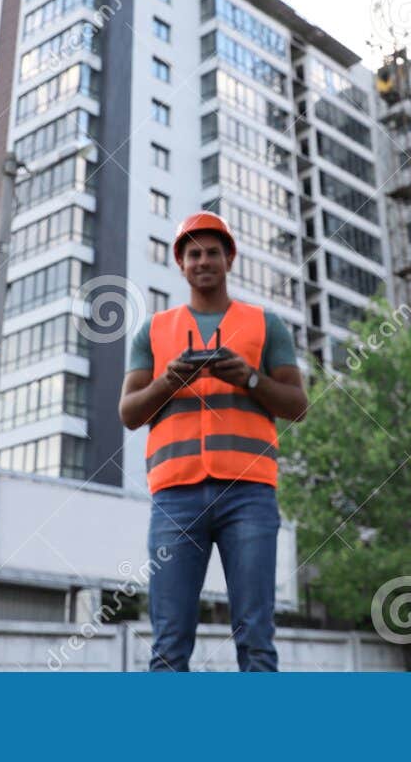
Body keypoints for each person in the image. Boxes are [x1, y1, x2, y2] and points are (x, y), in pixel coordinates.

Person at [119, 211, 308, 671]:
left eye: (212, 253)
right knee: (168, 644)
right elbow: (129, 413)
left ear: (229, 260)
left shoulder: (266, 325)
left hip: (249, 494)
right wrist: (167, 382)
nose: (203, 261)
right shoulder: (154, 330)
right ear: (180, 264)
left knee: (257, 640)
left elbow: (297, 404)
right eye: (194, 254)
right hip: (175, 498)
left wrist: (248, 378)